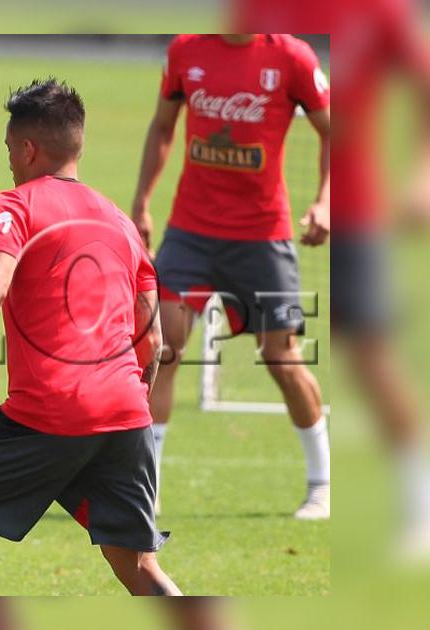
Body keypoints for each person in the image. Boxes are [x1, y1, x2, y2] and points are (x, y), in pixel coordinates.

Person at [0, 79, 181, 596]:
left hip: (51, 411)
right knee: (137, 565)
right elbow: (152, 337)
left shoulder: (14, 205)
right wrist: (125, 405)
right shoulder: (120, 221)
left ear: (28, 149)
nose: (8, 161)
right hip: (126, 413)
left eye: (9, 149)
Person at [231, 0, 430, 553]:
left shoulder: (379, 10)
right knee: (268, 348)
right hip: (262, 212)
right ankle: (319, 485)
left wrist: (422, 172)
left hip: (356, 209)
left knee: (370, 356)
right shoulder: (255, 9)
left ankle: (419, 504)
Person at [130, 34, 332, 520]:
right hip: (191, 232)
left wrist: (326, 201)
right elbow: (162, 127)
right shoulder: (186, 51)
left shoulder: (293, 57)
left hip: (263, 235)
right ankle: (145, 490)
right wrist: (141, 203)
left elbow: (334, 131)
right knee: (164, 344)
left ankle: (322, 485)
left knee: (281, 358)